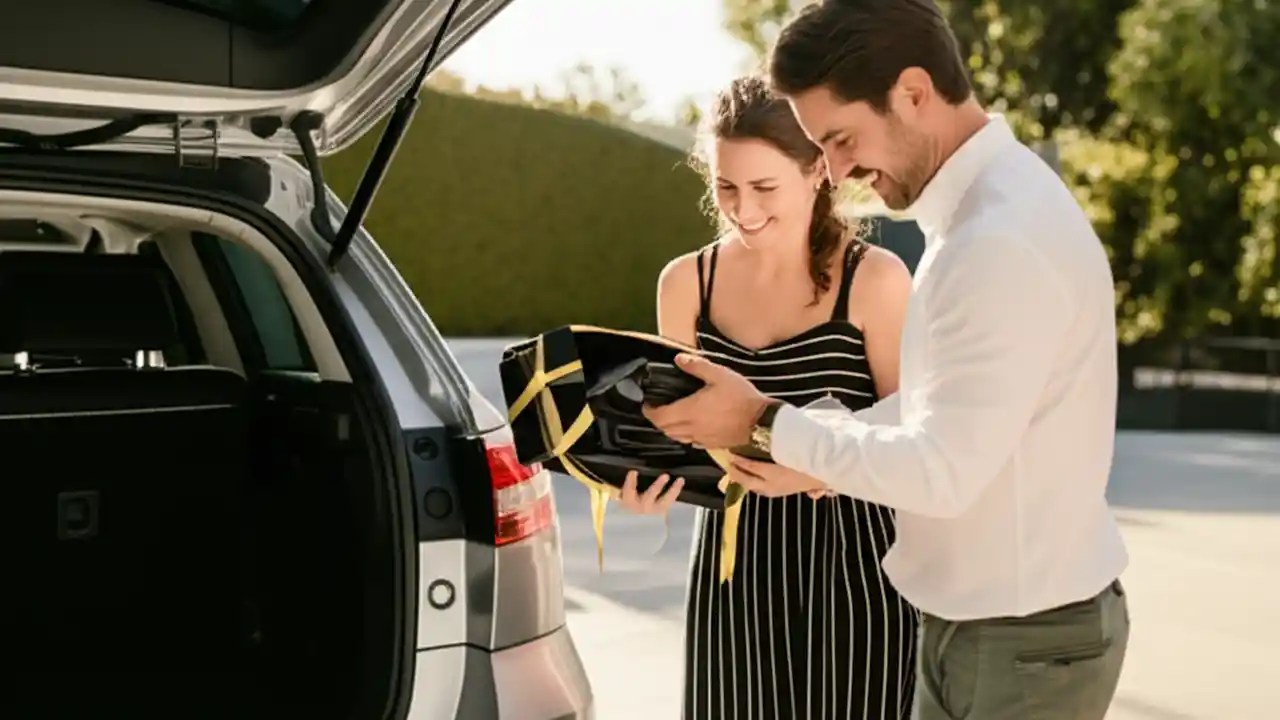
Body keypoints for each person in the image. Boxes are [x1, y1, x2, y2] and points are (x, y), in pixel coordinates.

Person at [641, 3, 1131, 720]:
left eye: (840, 139)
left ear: (912, 93)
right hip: (988, 630)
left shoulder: (996, 240)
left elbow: (944, 468)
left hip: (1022, 642)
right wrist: (814, 449)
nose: (838, 170)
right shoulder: (984, 217)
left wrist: (767, 421)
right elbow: (948, 405)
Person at [617, 74, 918, 720]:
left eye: (763, 188)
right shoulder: (685, 284)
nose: (743, 210)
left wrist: (817, 463)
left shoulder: (877, 280)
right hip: (734, 567)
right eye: (725, 188)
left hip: (858, 569)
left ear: (817, 171)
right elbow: (682, 438)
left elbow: (917, 438)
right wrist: (641, 477)